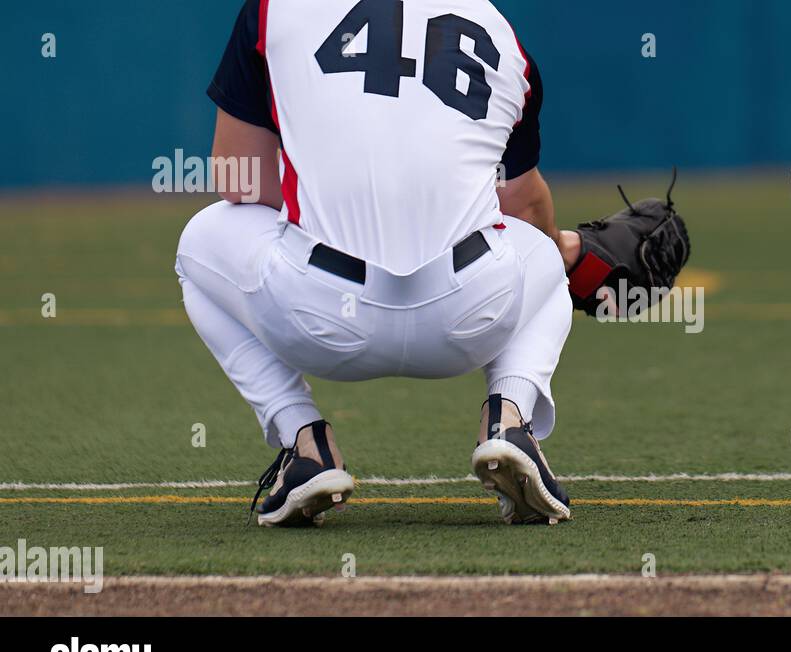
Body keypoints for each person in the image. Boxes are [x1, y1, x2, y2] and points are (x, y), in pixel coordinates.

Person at [175, 0, 576, 527]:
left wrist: (330, 206)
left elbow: (239, 180)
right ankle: (509, 419)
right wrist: (567, 255)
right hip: (466, 315)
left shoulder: (273, 9)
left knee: (200, 240)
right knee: (539, 248)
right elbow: (521, 203)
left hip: (319, 315)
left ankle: (306, 443)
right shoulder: (498, 32)